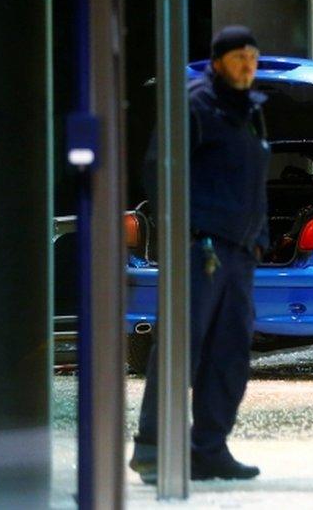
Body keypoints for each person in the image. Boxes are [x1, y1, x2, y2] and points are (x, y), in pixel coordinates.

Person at [130, 26, 270, 483]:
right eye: (238, 57)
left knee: (229, 353)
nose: (248, 64)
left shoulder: (251, 112)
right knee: (180, 347)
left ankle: (208, 448)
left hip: (240, 250)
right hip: (201, 245)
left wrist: (257, 238)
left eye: (252, 56)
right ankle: (153, 448)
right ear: (216, 63)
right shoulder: (196, 105)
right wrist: (186, 229)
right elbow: (159, 168)